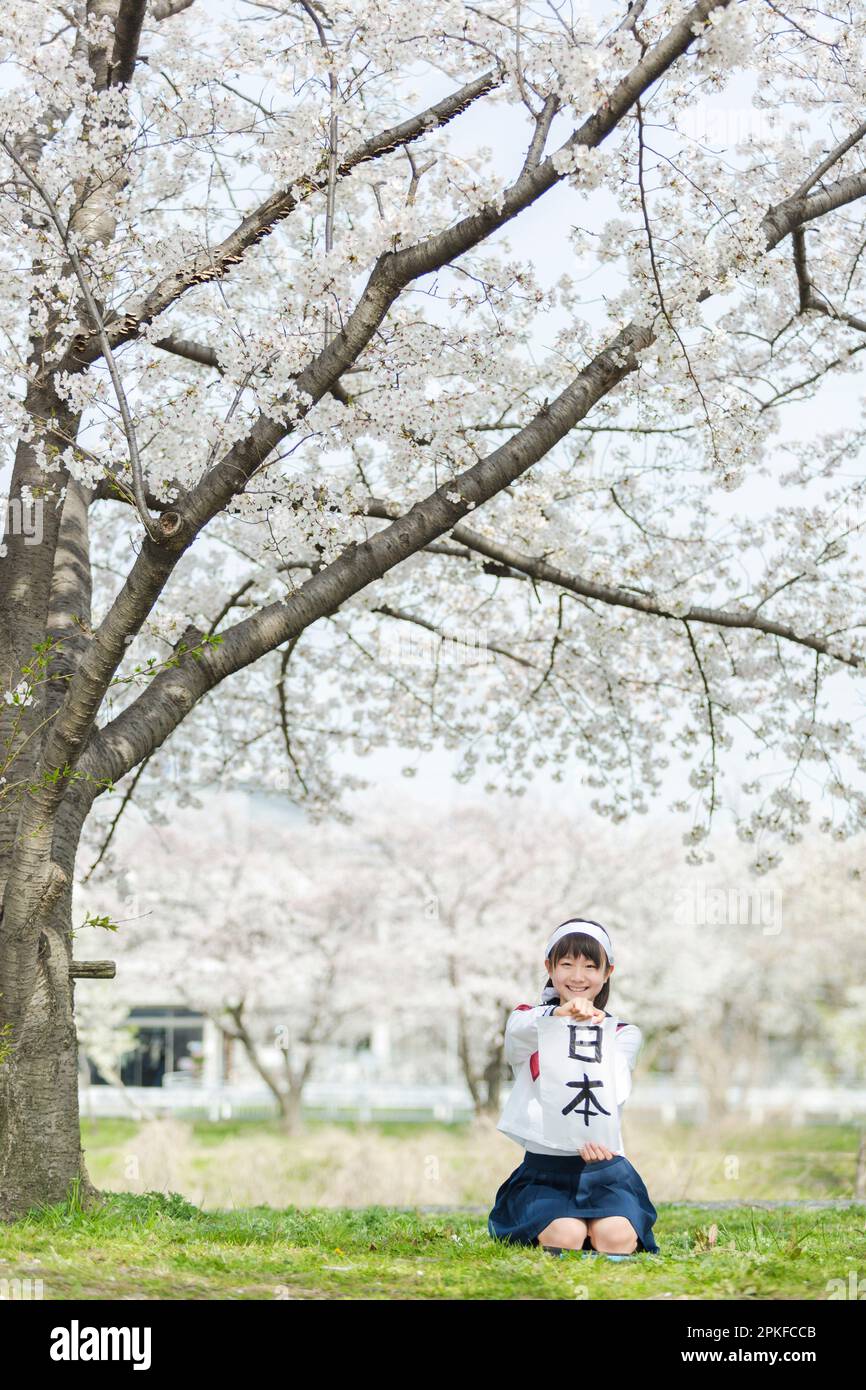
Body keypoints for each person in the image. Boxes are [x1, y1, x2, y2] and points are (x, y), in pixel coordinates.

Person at [488, 917, 660, 1258]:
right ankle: (573, 1238)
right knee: (565, 1234)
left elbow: (614, 1089)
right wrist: (558, 1016)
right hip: (545, 1172)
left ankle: (597, 1245)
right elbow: (516, 1037)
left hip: (604, 1170)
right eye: (566, 964)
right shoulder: (531, 1021)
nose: (577, 976)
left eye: (589, 966)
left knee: (617, 1239)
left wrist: (594, 1138)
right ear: (549, 967)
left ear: (607, 972)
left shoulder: (623, 1033)